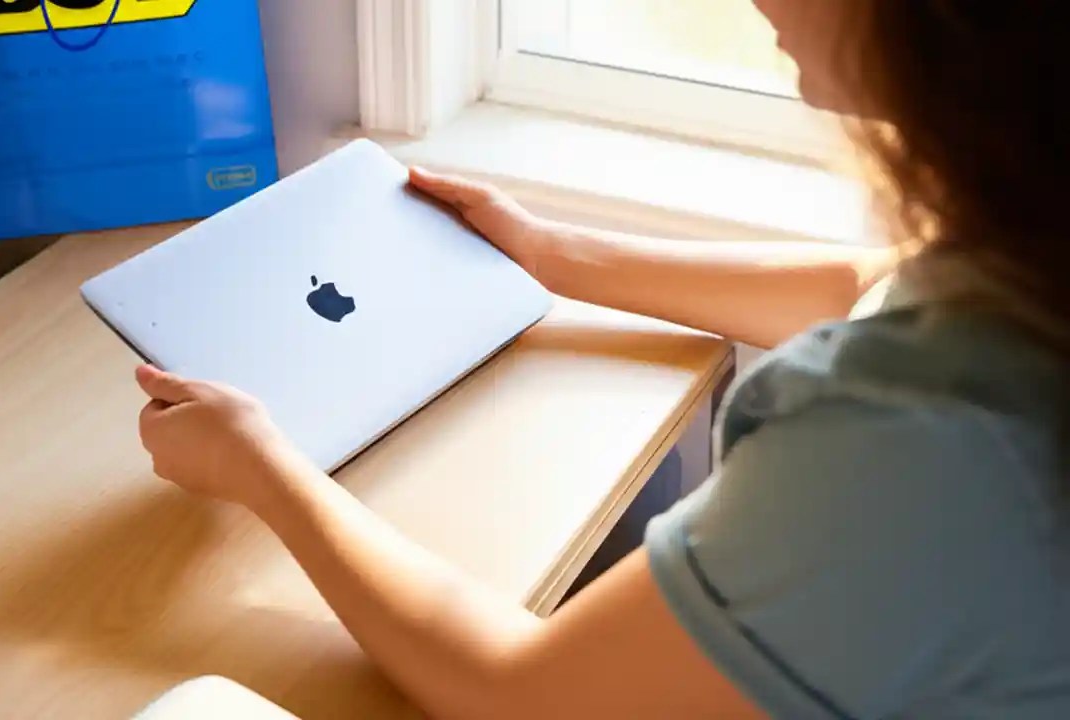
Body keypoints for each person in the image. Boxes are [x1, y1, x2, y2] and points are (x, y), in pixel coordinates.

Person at [132, 1, 1069, 717]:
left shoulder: (923, 440)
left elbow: (518, 696)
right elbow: (871, 283)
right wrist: (549, 252)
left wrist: (265, 468)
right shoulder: (1032, 258)